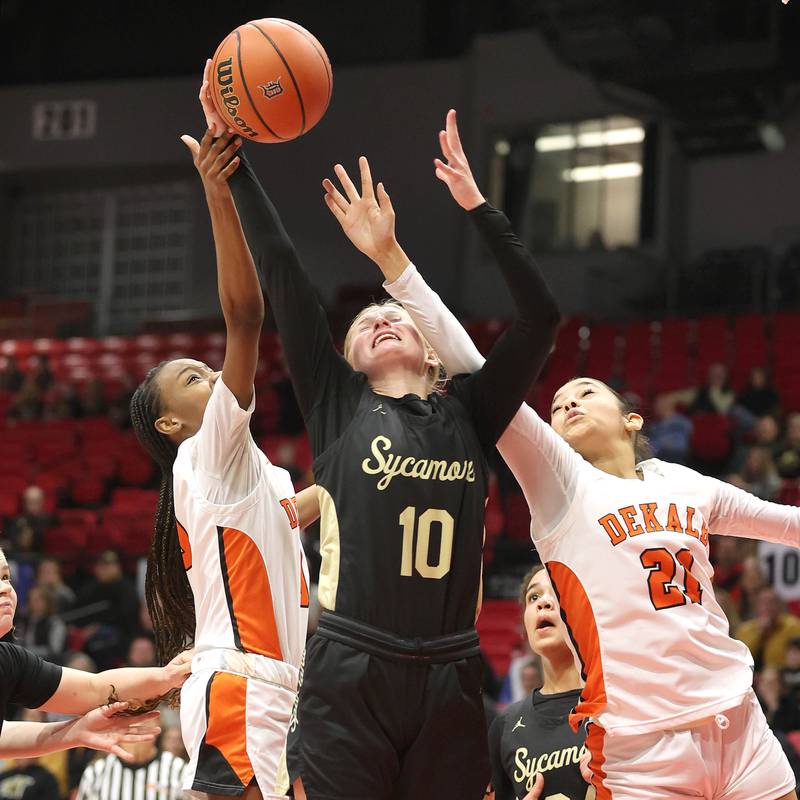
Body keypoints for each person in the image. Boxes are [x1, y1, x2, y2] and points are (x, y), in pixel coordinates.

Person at [381, 172, 800, 797]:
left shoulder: (685, 483)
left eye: (585, 394)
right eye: (557, 405)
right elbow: (474, 366)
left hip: (738, 720)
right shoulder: (559, 482)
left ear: (632, 419)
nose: (566, 403)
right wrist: (393, 261)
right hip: (641, 744)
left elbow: (786, 523)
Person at [221, 93, 558, 798]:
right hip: (350, 664)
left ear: (434, 354)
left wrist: (474, 208)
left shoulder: (473, 408)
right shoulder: (336, 402)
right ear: (345, 354)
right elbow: (282, 268)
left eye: (396, 314)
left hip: (450, 672)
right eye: (366, 321)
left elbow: (541, 316)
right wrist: (236, 163)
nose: (381, 319)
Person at [130, 65, 319, 800]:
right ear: (173, 421)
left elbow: (291, 510)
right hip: (245, 682)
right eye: (191, 377)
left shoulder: (244, 476)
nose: (209, 372)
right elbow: (245, 317)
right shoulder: (204, 448)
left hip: (274, 684)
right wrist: (218, 187)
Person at [0, 547, 190, 761]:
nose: (4, 588)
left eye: (5, 577)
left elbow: (94, 689)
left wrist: (166, 676)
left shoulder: (8, 660)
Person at [488, 566, 593, 800]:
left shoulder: (618, 708)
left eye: (556, 593)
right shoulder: (504, 726)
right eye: (533, 597)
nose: (542, 603)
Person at [76, 733, 189, 800]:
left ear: (156, 722)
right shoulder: (96, 772)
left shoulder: (179, 770)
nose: (134, 727)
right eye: (126, 719)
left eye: (141, 717)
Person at [735, 587, 800, 670]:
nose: (767, 607)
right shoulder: (745, 630)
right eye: (763, 603)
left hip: (782, 676)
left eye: (771, 603)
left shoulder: (793, 626)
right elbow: (740, 658)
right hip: (750, 677)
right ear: (756, 606)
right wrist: (759, 635)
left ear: (780, 606)